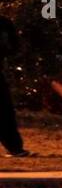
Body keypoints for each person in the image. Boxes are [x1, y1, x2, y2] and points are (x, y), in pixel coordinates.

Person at [0, 15, 30, 158]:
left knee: (5, 112)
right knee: (4, 112)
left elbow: (14, 47)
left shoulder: (4, 23)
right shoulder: (4, 23)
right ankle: (14, 147)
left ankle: (15, 147)